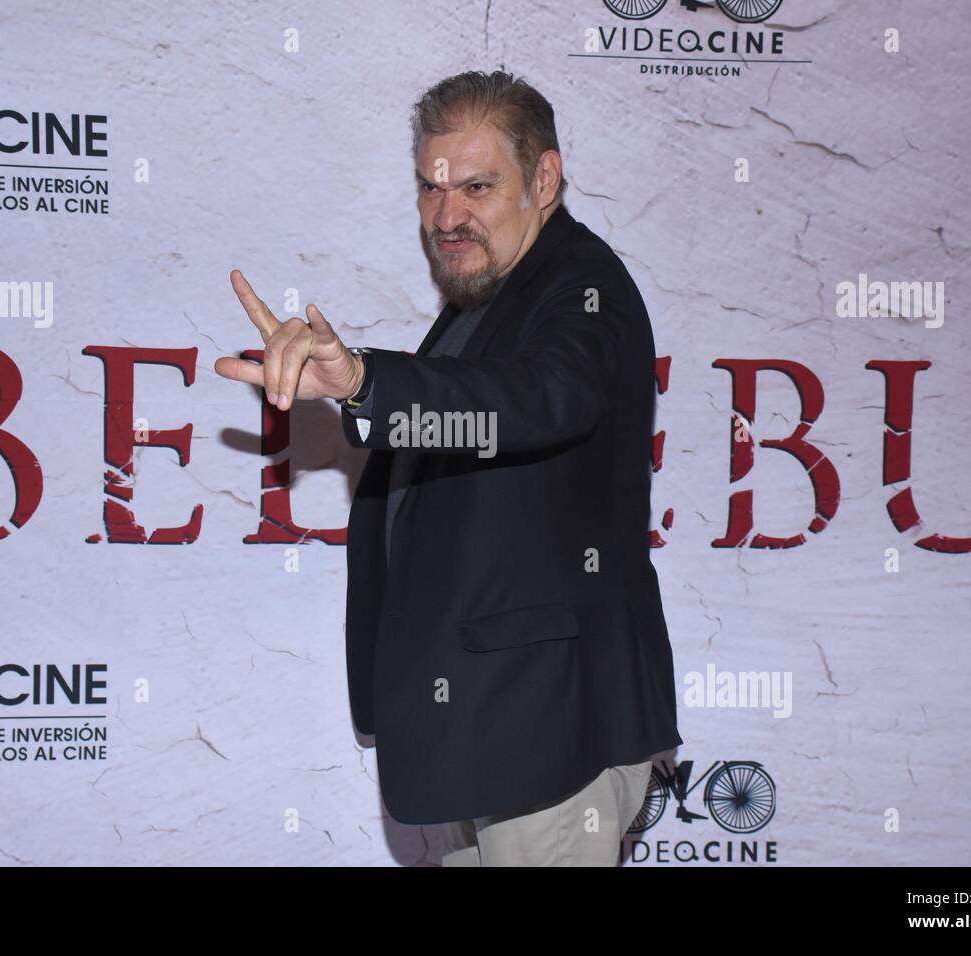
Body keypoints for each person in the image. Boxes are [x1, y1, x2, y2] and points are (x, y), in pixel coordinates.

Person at [215, 70, 682, 866]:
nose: (446, 215)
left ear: (544, 178)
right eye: (430, 188)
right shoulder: (490, 298)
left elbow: (539, 399)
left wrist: (365, 381)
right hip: (484, 732)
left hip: (553, 736)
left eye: (475, 186)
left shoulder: (583, 287)